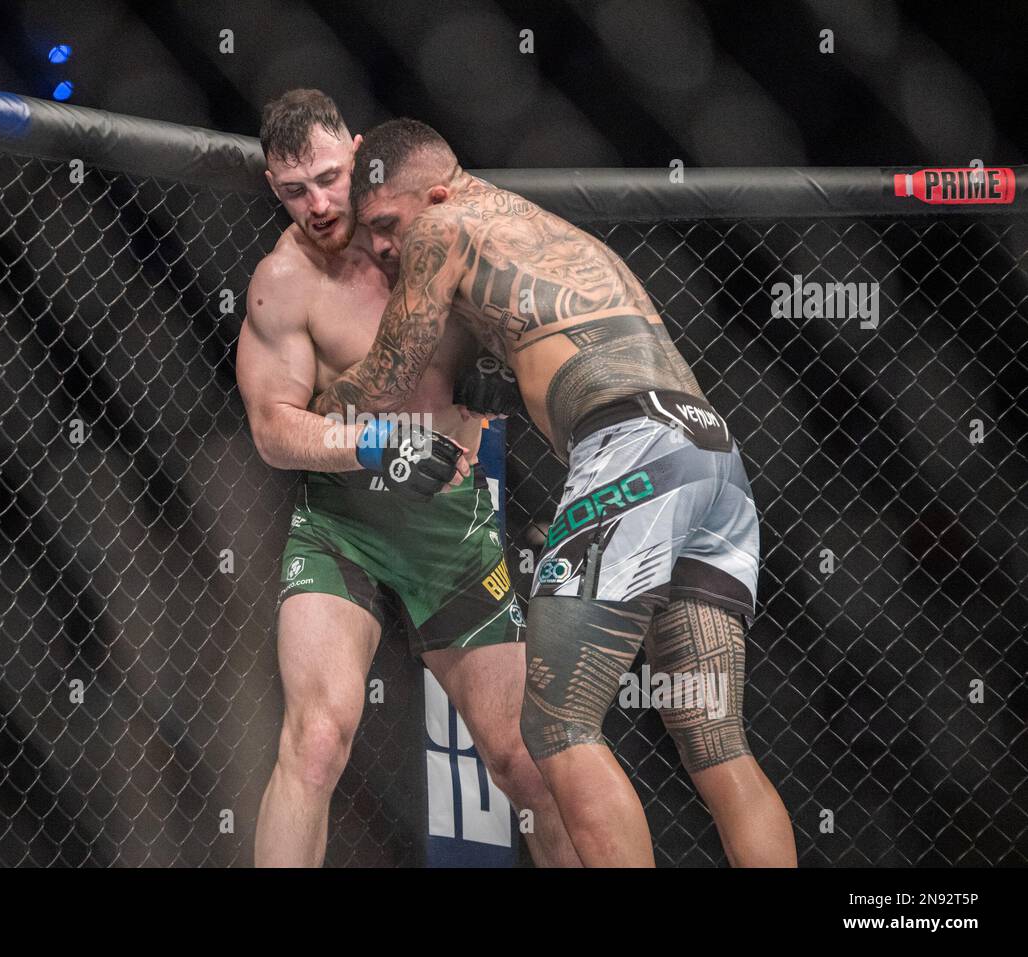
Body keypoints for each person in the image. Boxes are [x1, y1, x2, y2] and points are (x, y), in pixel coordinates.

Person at [309, 117, 797, 867]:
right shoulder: (545, 235)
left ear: (435, 193)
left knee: (559, 724)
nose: (379, 247)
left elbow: (385, 378)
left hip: (631, 447)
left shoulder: (443, 226)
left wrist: (307, 406)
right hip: (711, 455)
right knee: (714, 738)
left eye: (385, 224)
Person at [238, 90, 579, 867]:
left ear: (358, 153)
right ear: (272, 188)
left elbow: (533, 328)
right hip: (341, 524)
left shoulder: (428, 235)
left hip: (447, 522)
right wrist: (371, 443)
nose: (319, 204)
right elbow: (272, 426)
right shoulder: (281, 283)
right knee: (316, 741)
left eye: (329, 177)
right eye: (295, 190)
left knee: (525, 764)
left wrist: (496, 386)